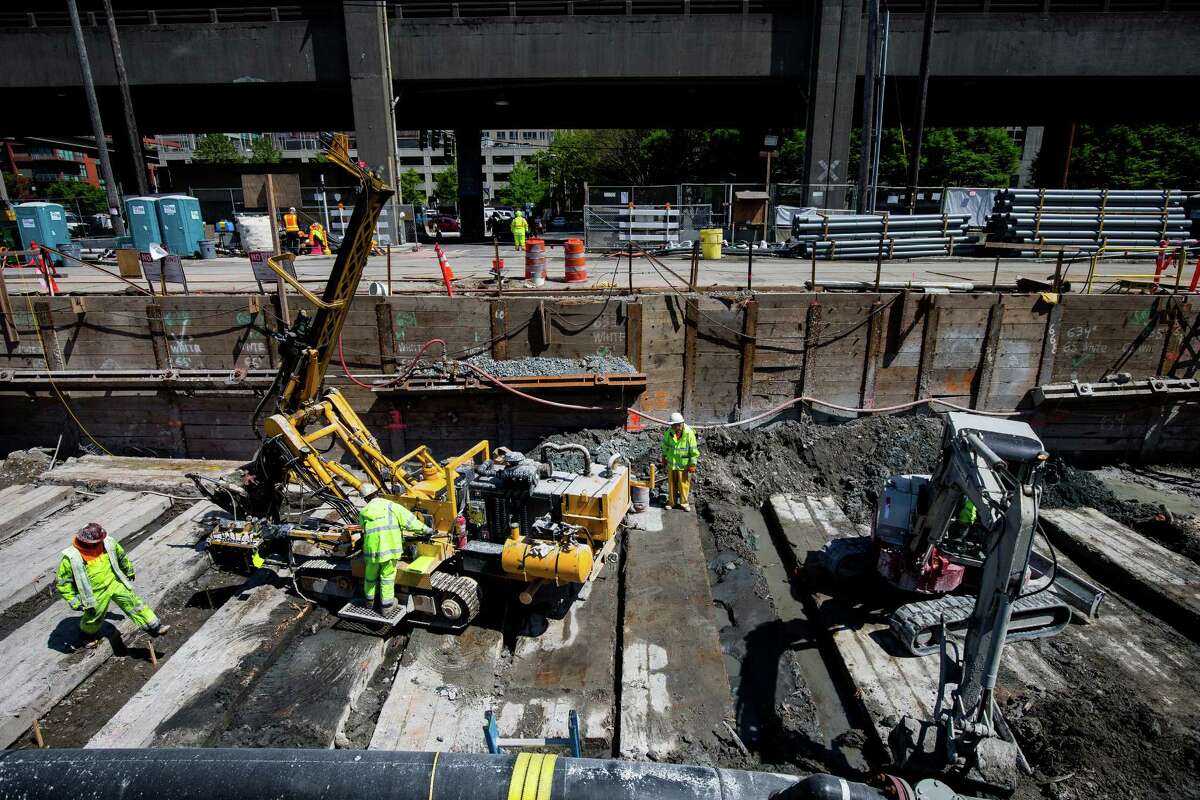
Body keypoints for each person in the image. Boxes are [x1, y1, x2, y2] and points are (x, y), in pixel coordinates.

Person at [56, 523, 169, 641]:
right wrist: (74, 601)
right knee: (94, 617)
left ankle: (155, 626)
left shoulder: (108, 543)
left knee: (134, 603)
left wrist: (128, 569)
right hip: (94, 592)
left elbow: (121, 556)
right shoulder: (72, 557)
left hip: (114, 582)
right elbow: (63, 582)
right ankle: (87, 636)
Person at [358, 483, 435, 610]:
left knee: (370, 577)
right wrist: (427, 530)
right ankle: (387, 607)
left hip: (371, 552)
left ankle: (369, 602)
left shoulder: (364, 511)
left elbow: (363, 528)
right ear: (377, 493)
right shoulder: (391, 506)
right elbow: (411, 522)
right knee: (387, 578)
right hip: (389, 551)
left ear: (365, 499)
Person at [660, 412, 700, 511]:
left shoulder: (689, 433)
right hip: (672, 464)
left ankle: (684, 503)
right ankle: (671, 502)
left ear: (680, 424)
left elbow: (693, 450)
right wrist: (664, 456)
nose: (672, 427)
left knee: (683, 485)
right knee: (671, 484)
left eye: (674, 425)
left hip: (684, 465)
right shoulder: (669, 432)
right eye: (671, 425)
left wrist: (693, 464)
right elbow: (665, 445)